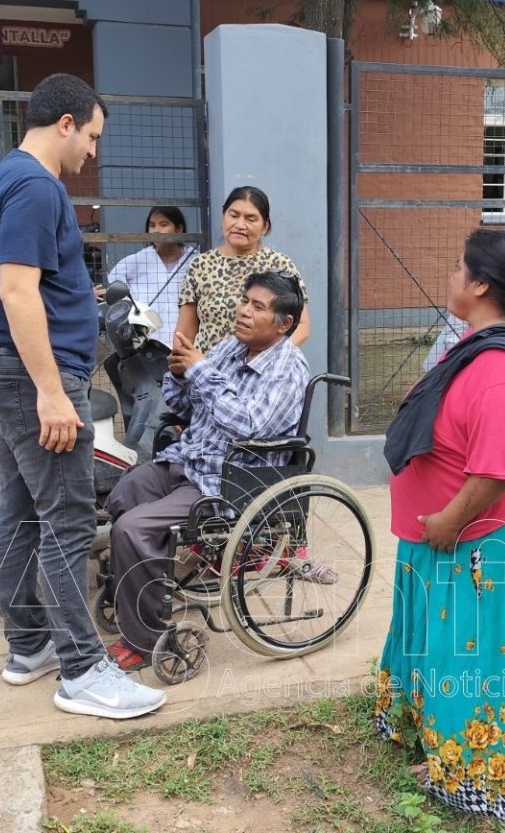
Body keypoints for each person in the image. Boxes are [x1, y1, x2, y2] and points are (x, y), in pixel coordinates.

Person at [0, 73, 165, 719]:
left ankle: (29, 646)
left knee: (22, 510)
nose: (93, 151)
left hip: (15, 368)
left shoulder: (2, 179)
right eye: (93, 136)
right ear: (65, 124)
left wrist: (42, 311)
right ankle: (82, 671)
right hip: (39, 378)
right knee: (70, 520)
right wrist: (51, 391)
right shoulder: (35, 186)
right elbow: (15, 289)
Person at [375, 230, 505, 828]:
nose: (451, 278)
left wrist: (447, 520)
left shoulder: (503, 370)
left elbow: (497, 471)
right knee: (450, 652)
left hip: (490, 539)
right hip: (463, 536)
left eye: (458, 268)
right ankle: (445, 752)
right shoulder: (478, 347)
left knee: (485, 663)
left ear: (481, 285)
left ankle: (484, 781)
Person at [101, 270, 311, 670]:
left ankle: (144, 642)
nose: (244, 311)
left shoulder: (288, 368)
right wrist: (180, 375)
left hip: (227, 480)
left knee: (133, 529)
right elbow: (183, 407)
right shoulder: (231, 348)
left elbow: (248, 425)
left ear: (283, 323)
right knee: (122, 496)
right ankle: (149, 593)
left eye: (258, 306)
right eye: (245, 301)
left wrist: (199, 371)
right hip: (189, 458)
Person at [102, 206, 195, 455]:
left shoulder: (195, 261)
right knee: (145, 404)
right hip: (146, 348)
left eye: (164, 224)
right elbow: (114, 288)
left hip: (184, 345)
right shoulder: (138, 260)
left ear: (179, 228)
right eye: (152, 225)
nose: (157, 230)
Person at [175, 186, 310, 353]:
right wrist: (185, 363)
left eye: (250, 219)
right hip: (206, 366)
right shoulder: (200, 265)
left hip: (259, 368)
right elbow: (185, 332)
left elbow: (302, 325)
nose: (240, 225)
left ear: (265, 226)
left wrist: (268, 359)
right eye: (233, 215)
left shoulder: (279, 264)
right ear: (223, 218)